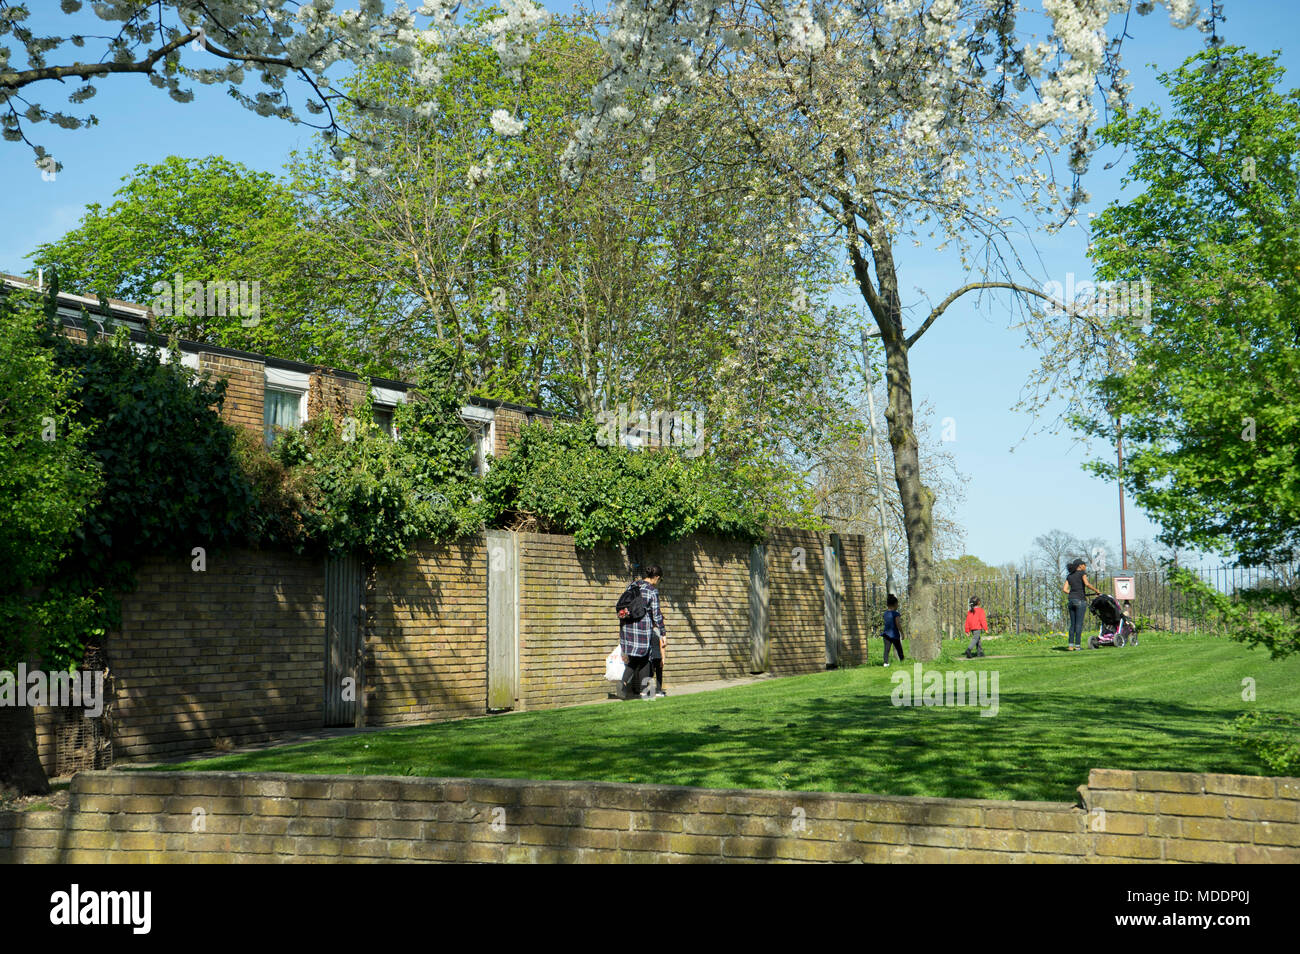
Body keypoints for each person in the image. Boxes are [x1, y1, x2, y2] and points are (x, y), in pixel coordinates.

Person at [620, 565, 666, 699]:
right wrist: (663, 633)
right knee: (646, 656)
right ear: (656, 577)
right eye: (659, 579)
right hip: (642, 628)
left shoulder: (632, 585)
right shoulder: (652, 590)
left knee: (634, 657)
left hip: (627, 626)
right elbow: (657, 615)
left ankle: (622, 682)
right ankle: (644, 691)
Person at [1062, 558, 1102, 651]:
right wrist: (1097, 591)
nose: (1085, 566)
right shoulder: (1082, 573)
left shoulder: (1069, 576)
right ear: (1080, 565)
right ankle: (1078, 646)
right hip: (1080, 600)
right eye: (1084, 564)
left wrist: (1072, 593)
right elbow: (1087, 584)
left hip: (1071, 600)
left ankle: (1070, 646)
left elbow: (1064, 589)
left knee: (1072, 624)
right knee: (1079, 624)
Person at [881, 594, 905, 667]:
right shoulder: (896, 613)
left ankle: (885, 663)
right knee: (899, 649)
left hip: (886, 634)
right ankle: (902, 661)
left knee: (886, 650)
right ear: (894, 604)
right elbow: (898, 624)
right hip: (894, 634)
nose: (898, 606)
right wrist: (902, 633)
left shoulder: (885, 613)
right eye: (897, 604)